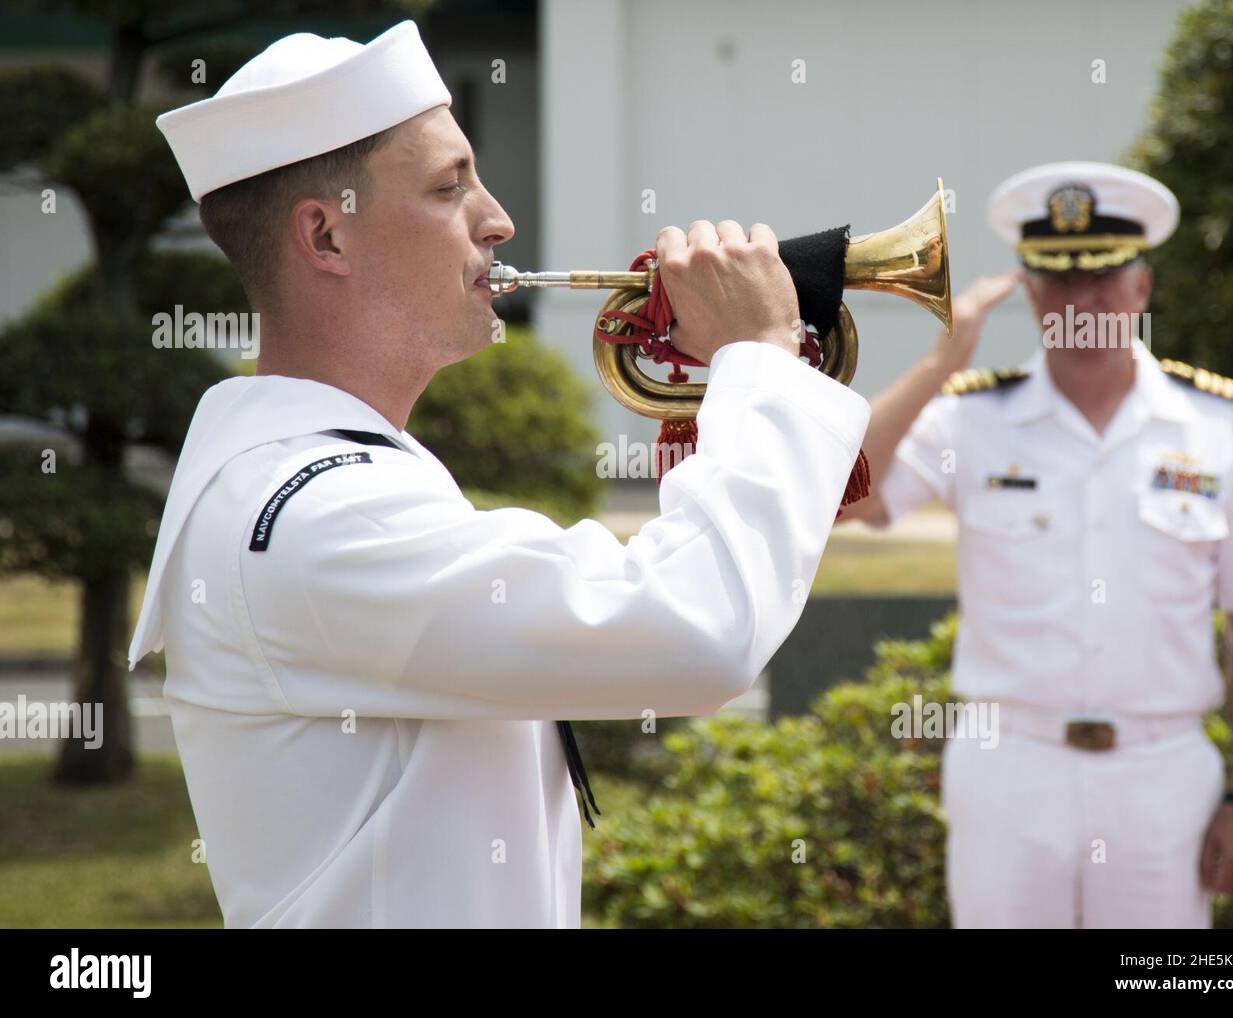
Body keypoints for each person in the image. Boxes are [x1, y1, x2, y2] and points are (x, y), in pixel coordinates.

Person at [130, 21, 870, 928]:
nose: (499, 219)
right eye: (450, 187)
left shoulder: (337, 476)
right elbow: (695, 633)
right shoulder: (318, 511)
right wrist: (760, 354)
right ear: (326, 237)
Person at [841, 161, 1233, 928]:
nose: (1080, 303)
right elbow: (846, 501)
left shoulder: (1219, 425)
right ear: (1029, 291)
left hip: (1162, 777)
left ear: (1142, 289)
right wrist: (939, 363)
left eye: (1104, 281)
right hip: (1010, 771)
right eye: (1056, 283)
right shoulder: (973, 416)